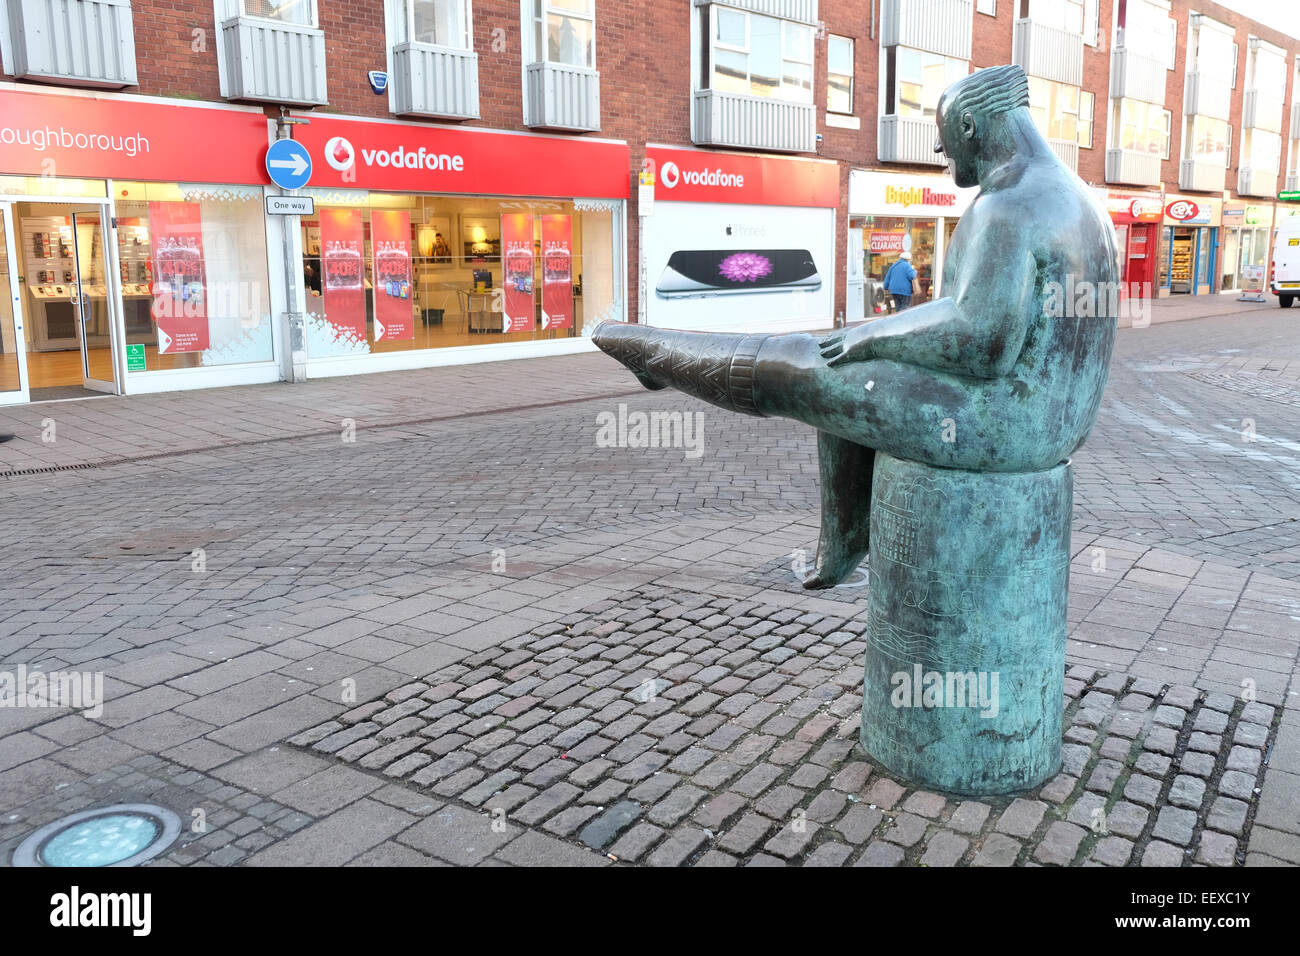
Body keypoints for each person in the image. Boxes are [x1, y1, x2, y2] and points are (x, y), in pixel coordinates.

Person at [591, 64, 1119, 589]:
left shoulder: (1007, 204)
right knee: (847, 366)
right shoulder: (1075, 196)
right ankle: (844, 535)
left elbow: (981, 340)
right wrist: (873, 340)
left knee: (805, 365)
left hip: (1007, 425)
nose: (945, 158)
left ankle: (655, 358)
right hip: (1051, 420)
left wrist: (870, 334)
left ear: (969, 129)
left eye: (943, 143)